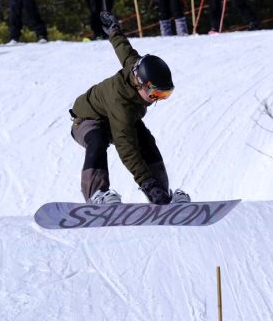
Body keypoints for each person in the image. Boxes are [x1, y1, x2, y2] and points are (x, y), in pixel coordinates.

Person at [69, 11, 189, 205]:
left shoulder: (136, 66)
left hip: (116, 117)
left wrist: (114, 30)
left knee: (146, 142)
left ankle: (161, 192)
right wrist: (146, 182)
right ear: (141, 84)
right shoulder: (121, 103)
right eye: (156, 94)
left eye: (164, 95)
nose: (157, 100)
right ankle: (96, 195)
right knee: (97, 140)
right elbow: (126, 147)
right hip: (87, 120)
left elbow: (123, 48)